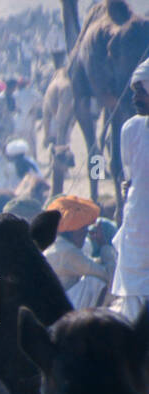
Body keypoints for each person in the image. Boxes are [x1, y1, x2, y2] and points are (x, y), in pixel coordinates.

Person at [112, 59, 149, 322]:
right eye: (134, 91)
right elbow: (130, 178)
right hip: (137, 225)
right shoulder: (130, 129)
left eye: (141, 91)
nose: (135, 97)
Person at [44, 196, 110, 309]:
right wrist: (104, 245)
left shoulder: (56, 244)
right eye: (82, 229)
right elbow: (107, 275)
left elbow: (88, 265)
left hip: (50, 306)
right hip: (56, 310)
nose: (85, 234)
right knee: (94, 282)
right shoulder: (67, 251)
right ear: (70, 231)